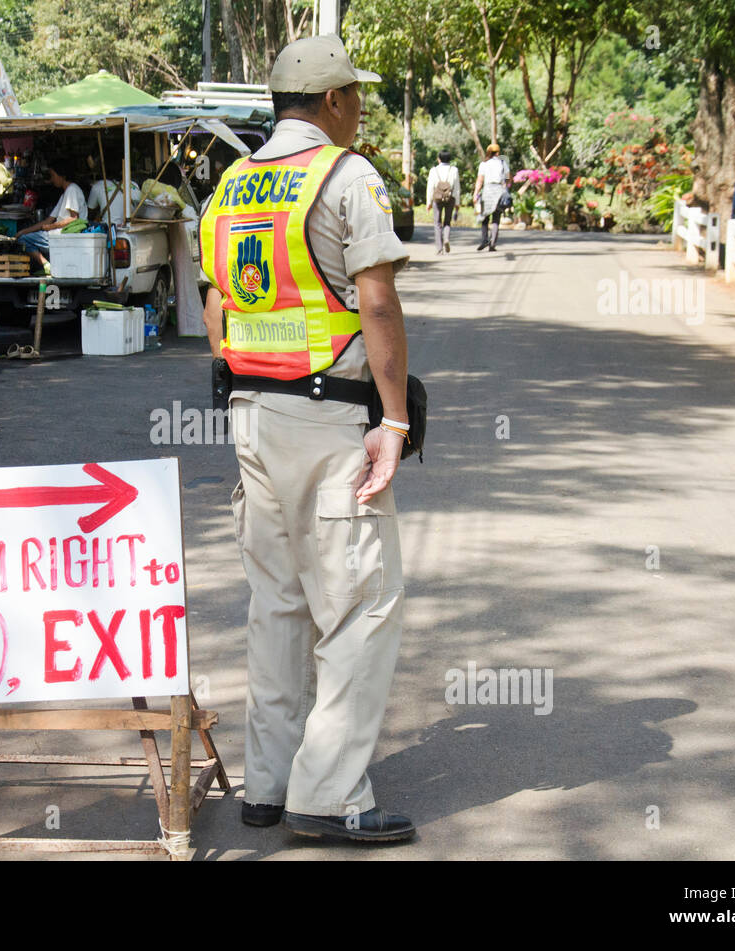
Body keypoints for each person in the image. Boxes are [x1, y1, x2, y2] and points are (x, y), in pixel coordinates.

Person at [199, 34, 414, 844]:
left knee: (279, 602)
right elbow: (378, 304)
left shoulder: (231, 185)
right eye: (354, 95)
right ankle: (327, 795)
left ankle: (272, 780)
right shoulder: (346, 176)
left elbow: (217, 303)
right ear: (331, 102)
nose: (360, 107)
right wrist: (393, 421)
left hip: (253, 414)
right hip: (329, 416)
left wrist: (246, 375)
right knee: (359, 603)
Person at [16, 158, 87, 272]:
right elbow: (48, 220)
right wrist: (23, 231)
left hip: (63, 237)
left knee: (24, 241)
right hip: (57, 234)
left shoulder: (72, 190)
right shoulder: (65, 194)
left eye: (53, 175)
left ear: (62, 175)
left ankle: (47, 266)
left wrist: (51, 227)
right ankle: (47, 266)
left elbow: (74, 218)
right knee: (23, 237)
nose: (52, 179)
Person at [474, 143, 509, 251]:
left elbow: (480, 180)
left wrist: (476, 193)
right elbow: (508, 178)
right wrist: (505, 187)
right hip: (499, 190)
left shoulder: (484, 164)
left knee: (485, 218)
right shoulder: (503, 163)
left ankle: (484, 240)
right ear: (498, 153)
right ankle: (492, 243)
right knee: (496, 218)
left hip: (487, 191)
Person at [426, 149, 460, 254]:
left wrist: (429, 202)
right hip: (450, 198)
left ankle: (439, 248)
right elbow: (457, 187)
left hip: (437, 198)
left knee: (437, 223)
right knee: (447, 221)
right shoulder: (454, 170)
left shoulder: (433, 170)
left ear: (439, 159)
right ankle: (446, 238)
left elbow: (430, 187)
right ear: (449, 159)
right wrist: (457, 203)